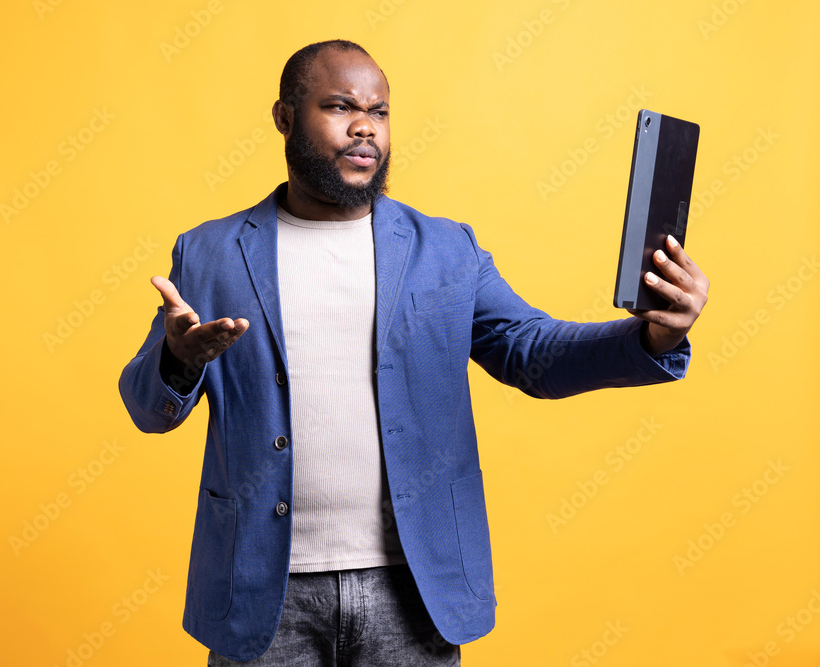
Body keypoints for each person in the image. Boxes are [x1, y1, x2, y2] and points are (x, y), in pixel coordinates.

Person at [118, 39, 708, 666]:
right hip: (263, 591)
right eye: (340, 106)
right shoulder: (210, 253)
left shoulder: (446, 250)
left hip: (414, 589)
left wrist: (655, 337)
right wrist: (178, 361)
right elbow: (148, 409)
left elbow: (531, 352)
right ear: (285, 118)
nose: (365, 127)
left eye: (380, 110)